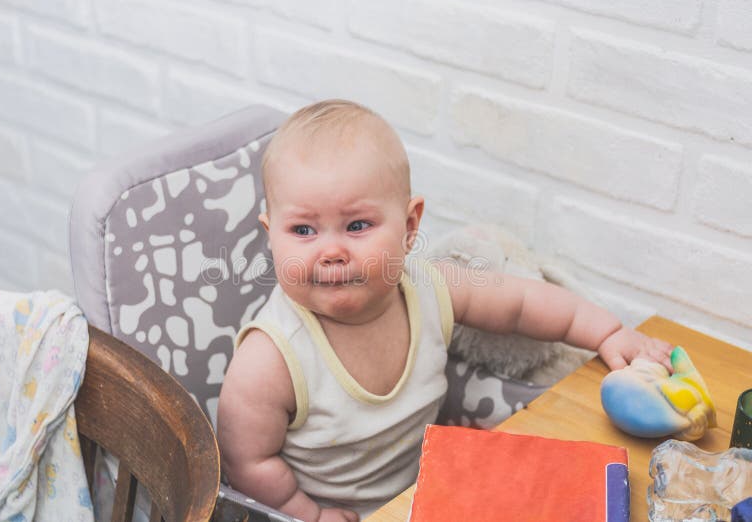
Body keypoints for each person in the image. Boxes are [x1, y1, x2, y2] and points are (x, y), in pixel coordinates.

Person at [216, 99, 674, 522]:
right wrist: (309, 514)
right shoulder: (271, 358)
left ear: (409, 226)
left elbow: (521, 304)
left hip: (431, 492)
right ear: (270, 233)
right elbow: (247, 463)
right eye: (302, 230)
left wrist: (607, 333)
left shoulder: (430, 287)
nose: (331, 251)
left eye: (357, 225)